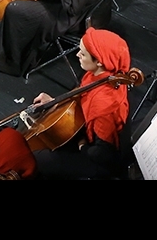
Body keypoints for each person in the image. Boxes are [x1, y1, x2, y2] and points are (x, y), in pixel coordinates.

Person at [26, 27, 132, 179]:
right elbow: (81, 97)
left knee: (37, 159)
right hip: (84, 131)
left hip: (97, 160)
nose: (77, 55)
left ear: (100, 61)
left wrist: (82, 145)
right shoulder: (98, 75)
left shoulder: (104, 104)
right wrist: (55, 101)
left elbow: (102, 154)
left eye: (82, 53)